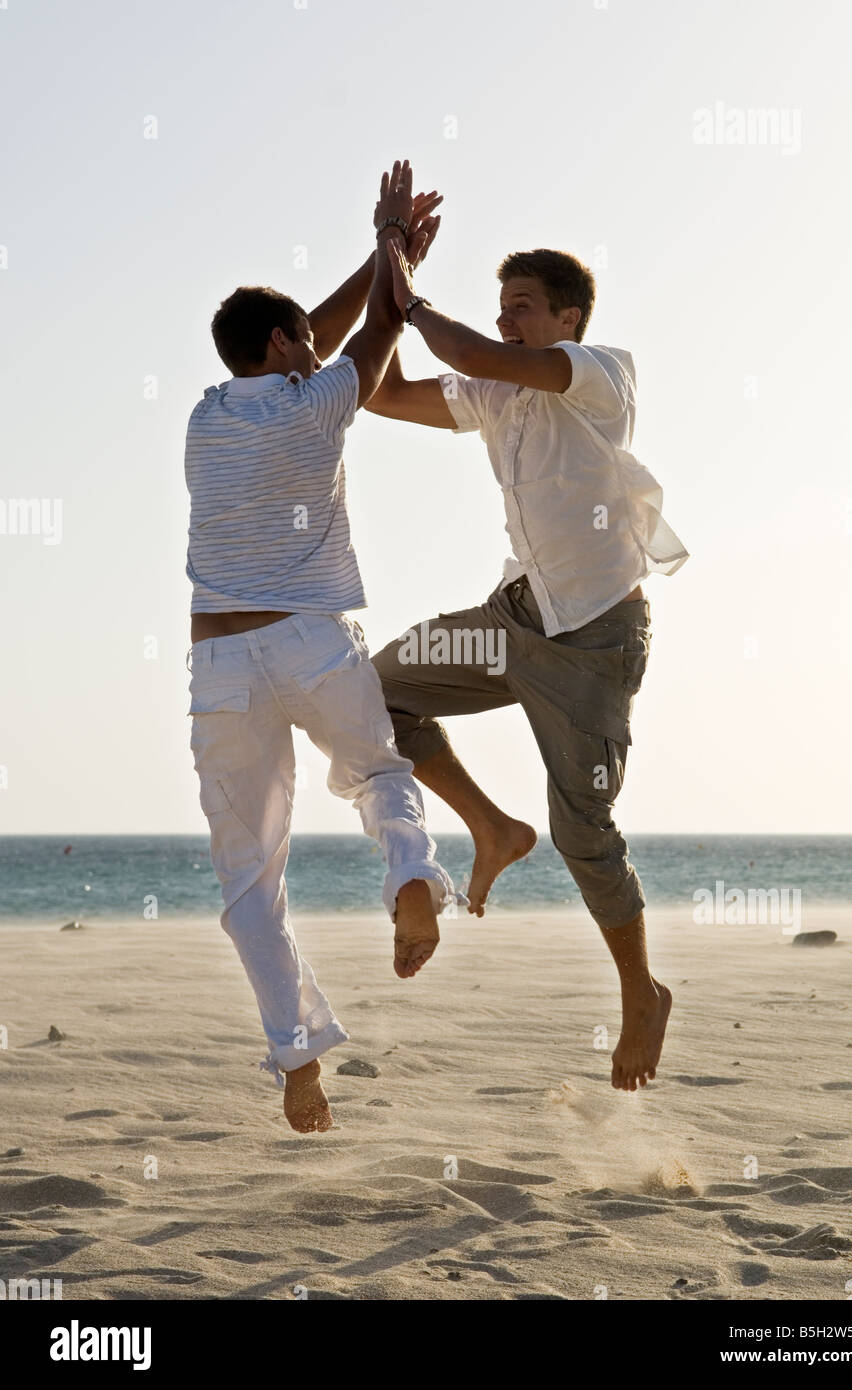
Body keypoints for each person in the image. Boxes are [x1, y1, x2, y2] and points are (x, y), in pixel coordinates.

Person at [365, 240, 689, 1092]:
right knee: (374, 694)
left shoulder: (595, 372)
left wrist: (410, 297)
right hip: (510, 620)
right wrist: (383, 275)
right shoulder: (493, 392)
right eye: (501, 302)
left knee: (584, 829)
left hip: (591, 638)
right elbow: (383, 392)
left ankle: (640, 997)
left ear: (566, 318)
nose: (507, 316)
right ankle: (492, 829)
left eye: (522, 305)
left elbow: (470, 349)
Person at [184, 162, 453, 1133]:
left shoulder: (207, 418)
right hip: (310, 642)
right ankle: (409, 875)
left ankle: (297, 1056)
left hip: (218, 659)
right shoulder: (318, 404)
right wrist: (390, 248)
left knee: (250, 881)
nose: (314, 345)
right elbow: (373, 333)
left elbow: (328, 331)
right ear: (281, 347)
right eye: (301, 338)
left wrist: (381, 254)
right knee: (377, 770)